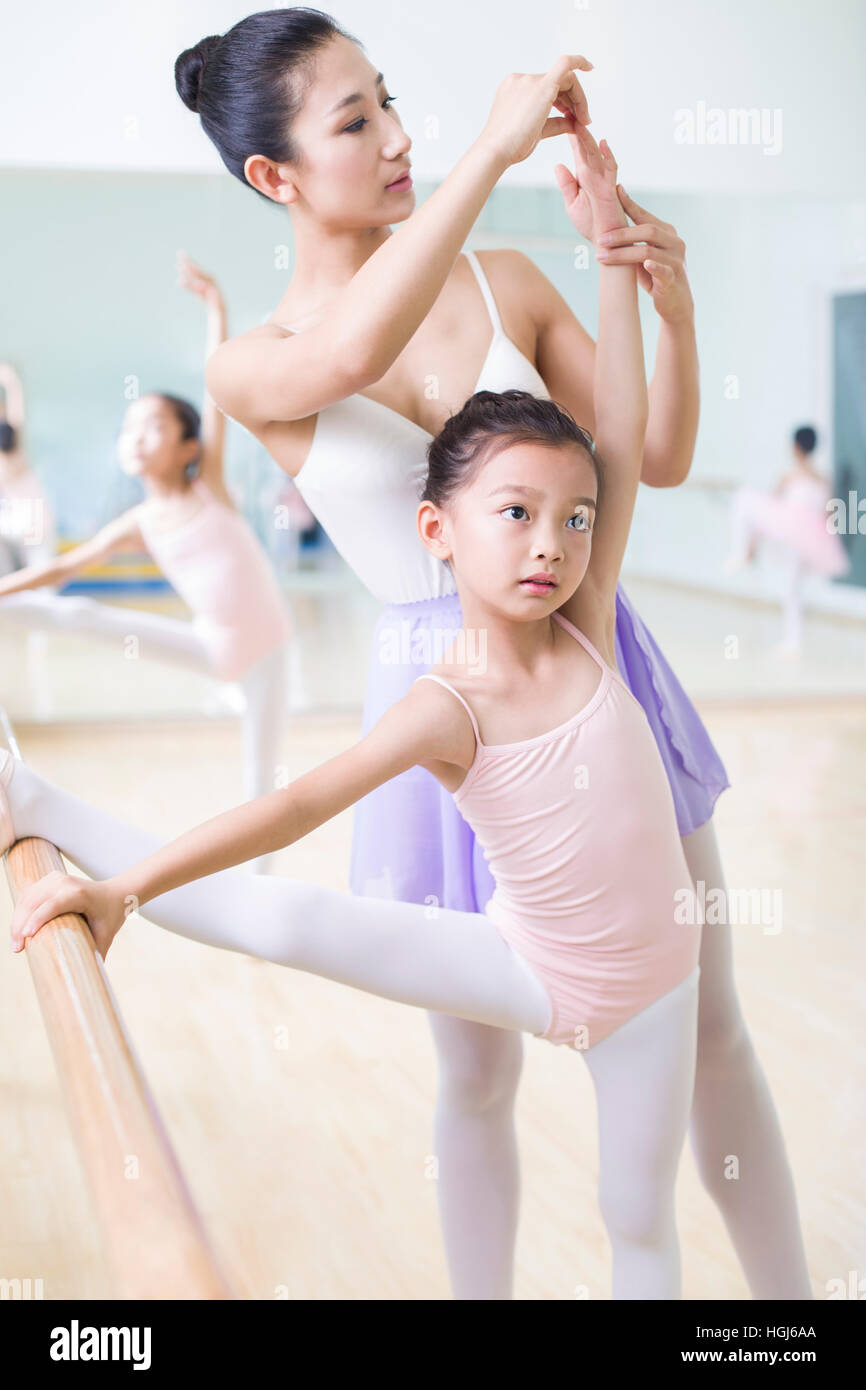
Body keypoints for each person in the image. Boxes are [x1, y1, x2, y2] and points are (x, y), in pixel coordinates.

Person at [6, 13, 810, 1298]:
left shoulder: (504, 282)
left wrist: (675, 308)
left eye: (387, 102)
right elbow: (352, 353)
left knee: (707, 1023)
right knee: (472, 1074)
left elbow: (641, 459)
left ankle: (788, 1316)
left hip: (590, 660)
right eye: (355, 120)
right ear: (273, 178)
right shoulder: (253, 361)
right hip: (441, 710)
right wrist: (488, 152)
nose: (396, 136)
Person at [0, 256, 291, 867]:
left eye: (154, 425)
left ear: (187, 446)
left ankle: (262, 878)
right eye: (130, 426)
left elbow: (217, 392)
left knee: (259, 771)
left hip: (266, 651)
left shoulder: (207, 485)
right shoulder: (139, 521)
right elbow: (58, 571)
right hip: (212, 645)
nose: (137, 435)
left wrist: (216, 308)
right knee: (78, 612)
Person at [726, 425, 850, 655]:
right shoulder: (823, 479)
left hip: (794, 536)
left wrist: (751, 547)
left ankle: (793, 642)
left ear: (795, 447)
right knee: (792, 589)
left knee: (791, 589)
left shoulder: (790, 476)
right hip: (810, 538)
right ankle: (793, 641)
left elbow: (771, 512)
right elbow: (828, 514)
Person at [0, 361, 57, 575]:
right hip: (10, 518)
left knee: (40, 574)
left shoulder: (13, 447)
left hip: (32, 516)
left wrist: (11, 381)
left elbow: (18, 415)